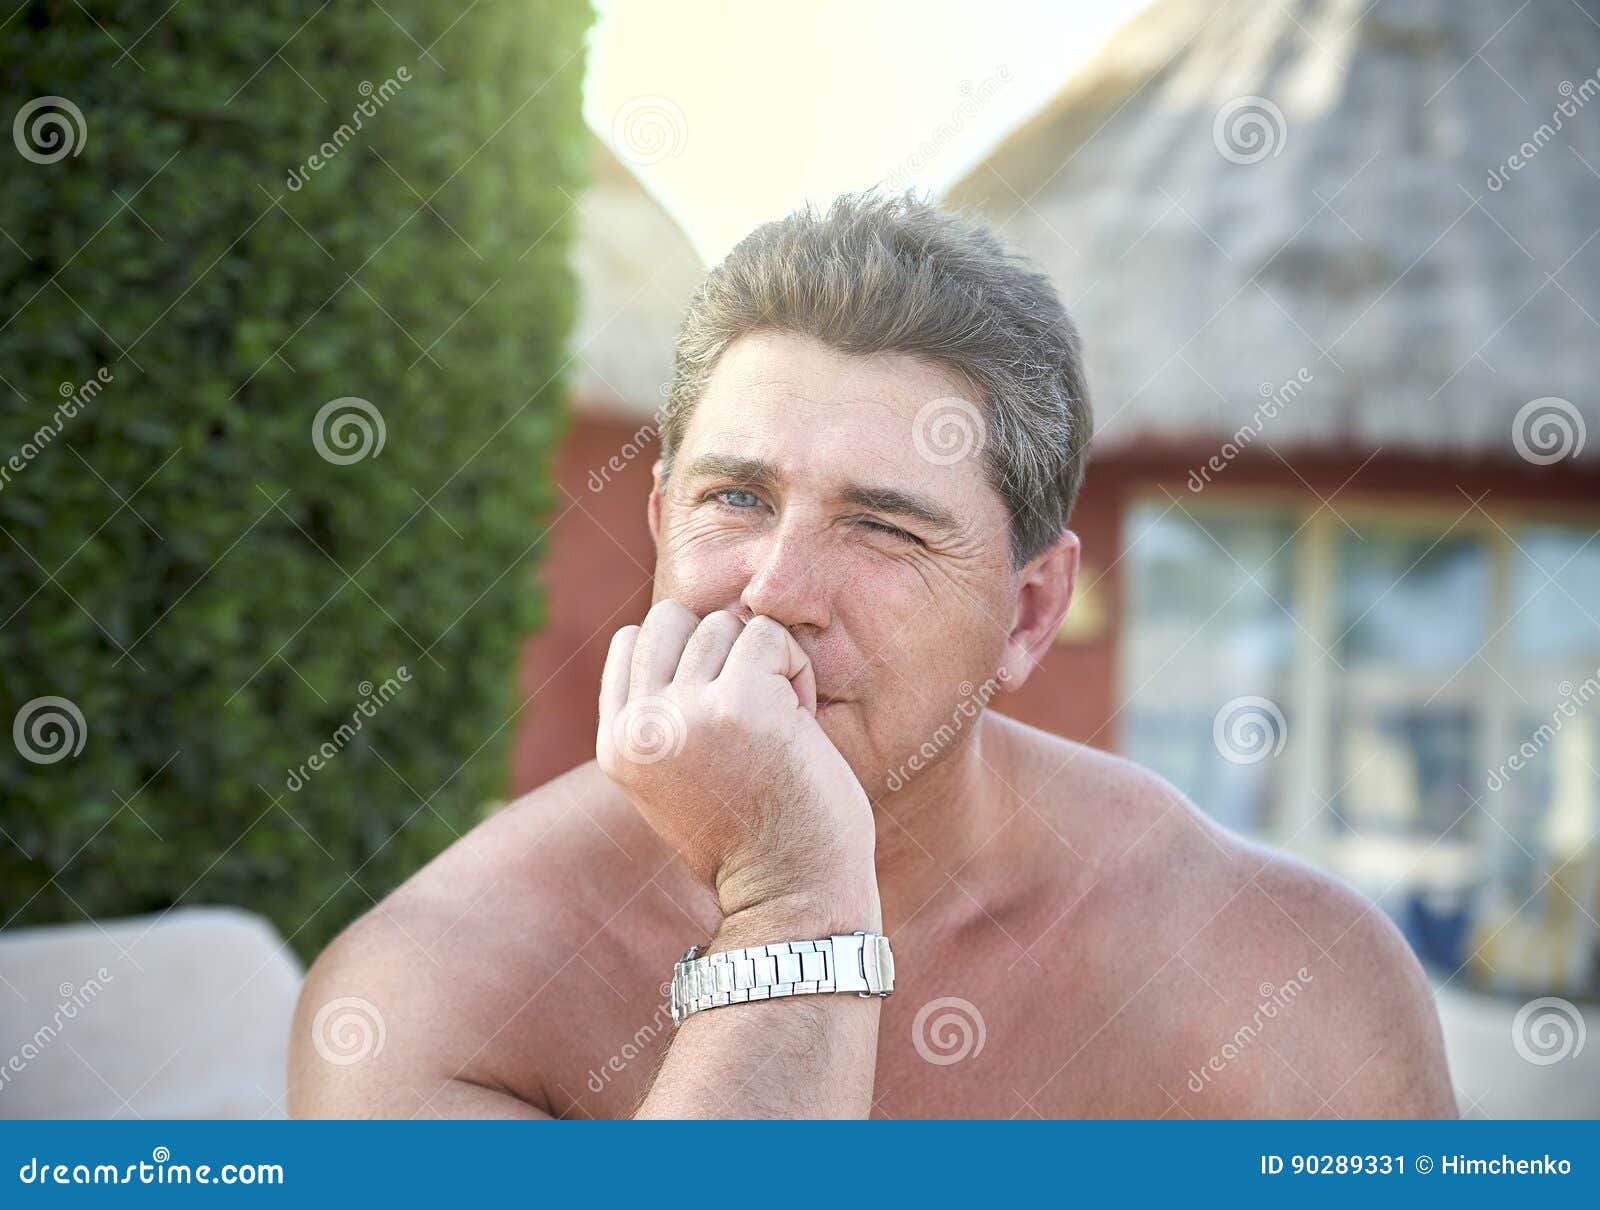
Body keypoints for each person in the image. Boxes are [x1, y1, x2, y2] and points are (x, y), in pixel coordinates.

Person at [288, 190, 1457, 1119]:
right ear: (658, 530)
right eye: (736, 497)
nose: (776, 589)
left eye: (884, 525)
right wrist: (792, 904)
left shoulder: (1272, 978)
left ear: (1029, 613)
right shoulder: (437, 987)